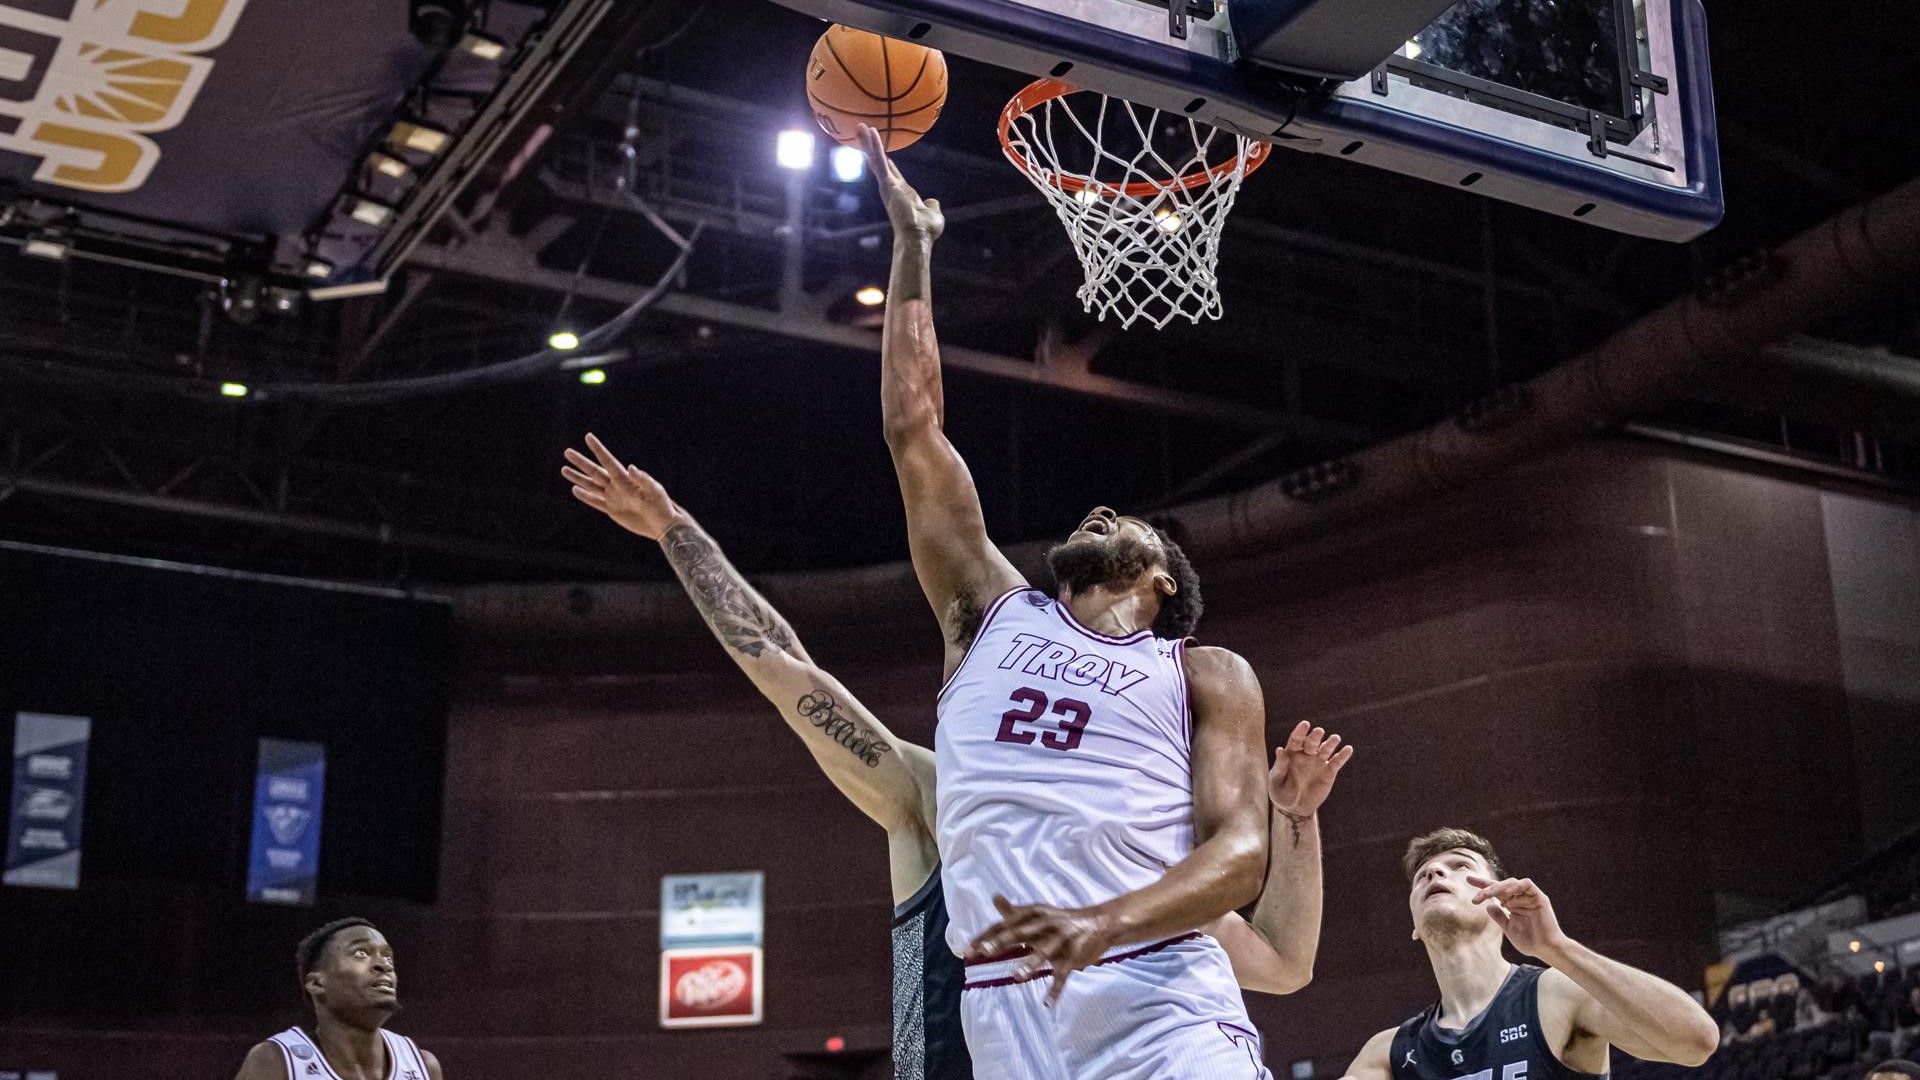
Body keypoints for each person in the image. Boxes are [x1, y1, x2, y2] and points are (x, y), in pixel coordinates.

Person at [562, 433, 1354, 1080]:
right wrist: (675, 531)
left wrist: (1293, 820)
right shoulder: (932, 790)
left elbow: (1284, 963)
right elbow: (784, 668)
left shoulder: (1148, 884)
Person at [857, 122, 1279, 1079]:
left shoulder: (1203, 673)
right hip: (1006, 1008)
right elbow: (914, 429)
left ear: (1164, 579)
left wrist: (1103, 923)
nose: (1099, 512)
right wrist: (914, 247)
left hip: (1158, 989)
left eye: (1122, 519)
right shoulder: (988, 614)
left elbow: (1243, 854)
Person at [1342, 829, 1719, 1080]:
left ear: (1498, 897)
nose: (1435, 873)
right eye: (1422, 876)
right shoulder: (1388, 1052)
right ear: (1414, 926)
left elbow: (1696, 1041)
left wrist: (1555, 947)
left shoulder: (1556, 995)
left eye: (1459, 866)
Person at [233, 918, 442, 1080]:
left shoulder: (424, 1066)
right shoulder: (277, 1061)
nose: (384, 965)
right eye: (361, 953)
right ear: (317, 983)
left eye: (388, 957)